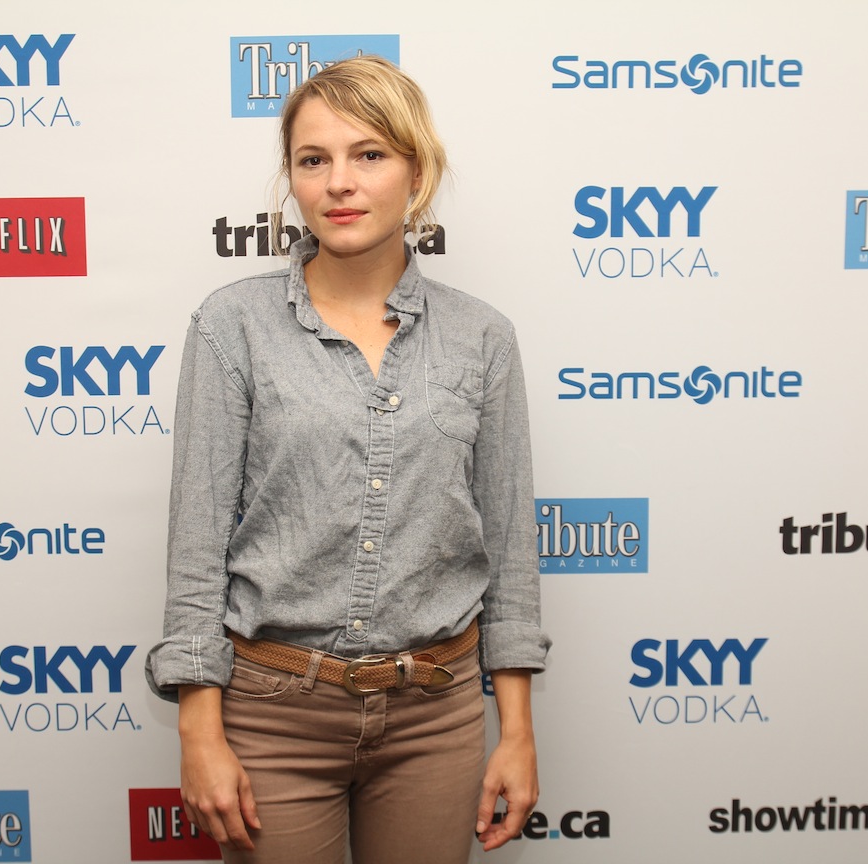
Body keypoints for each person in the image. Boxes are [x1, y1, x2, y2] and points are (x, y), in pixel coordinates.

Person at [146, 55, 550, 864]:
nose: (340, 182)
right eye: (313, 159)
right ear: (291, 179)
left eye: (369, 155)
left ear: (416, 171)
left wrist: (518, 733)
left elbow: (508, 550)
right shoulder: (233, 327)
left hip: (435, 719)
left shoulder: (483, 338)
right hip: (271, 716)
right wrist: (198, 730)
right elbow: (198, 544)